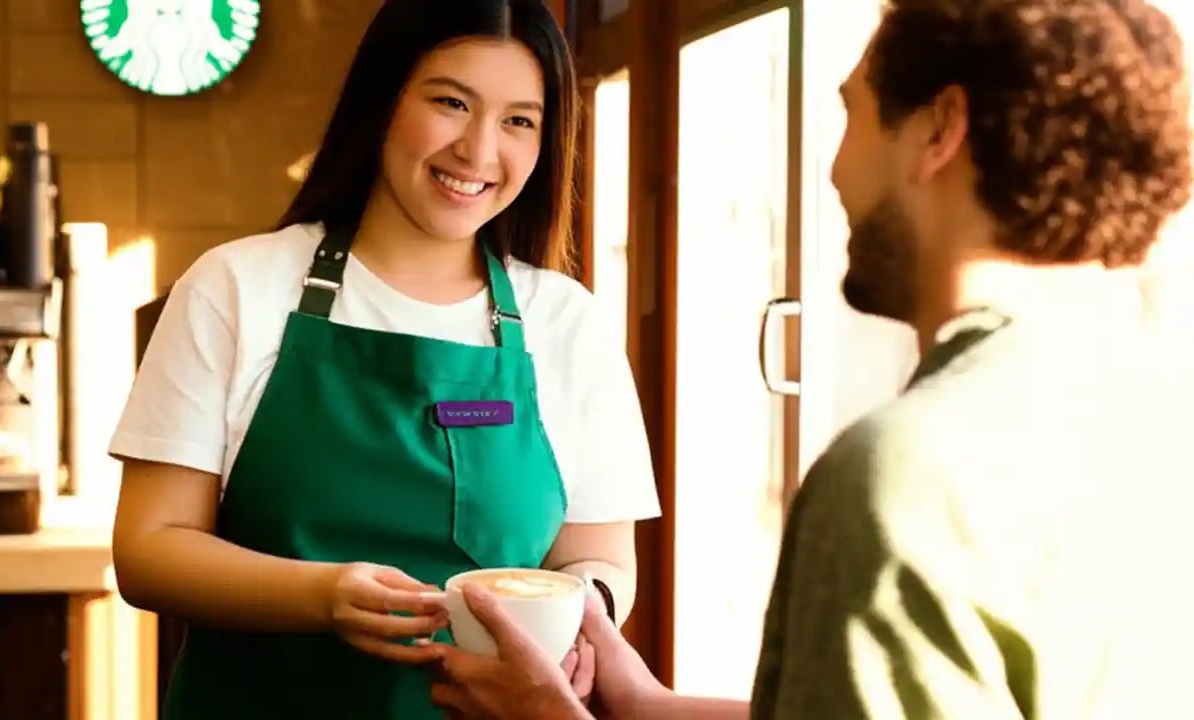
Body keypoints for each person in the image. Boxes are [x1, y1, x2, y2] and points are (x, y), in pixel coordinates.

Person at [428, 0, 1194, 717]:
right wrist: (641, 702)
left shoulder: (905, 477)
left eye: (850, 115)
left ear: (940, 132)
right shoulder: (1143, 414)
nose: (833, 172)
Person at [108, 1, 660, 718]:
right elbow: (150, 549)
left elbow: (601, 560)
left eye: (519, 120)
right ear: (382, 101)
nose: (479, 151)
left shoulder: (568, 323)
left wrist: (583, 623)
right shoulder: (235, 287)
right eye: (451, 102)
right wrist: (322, 597)